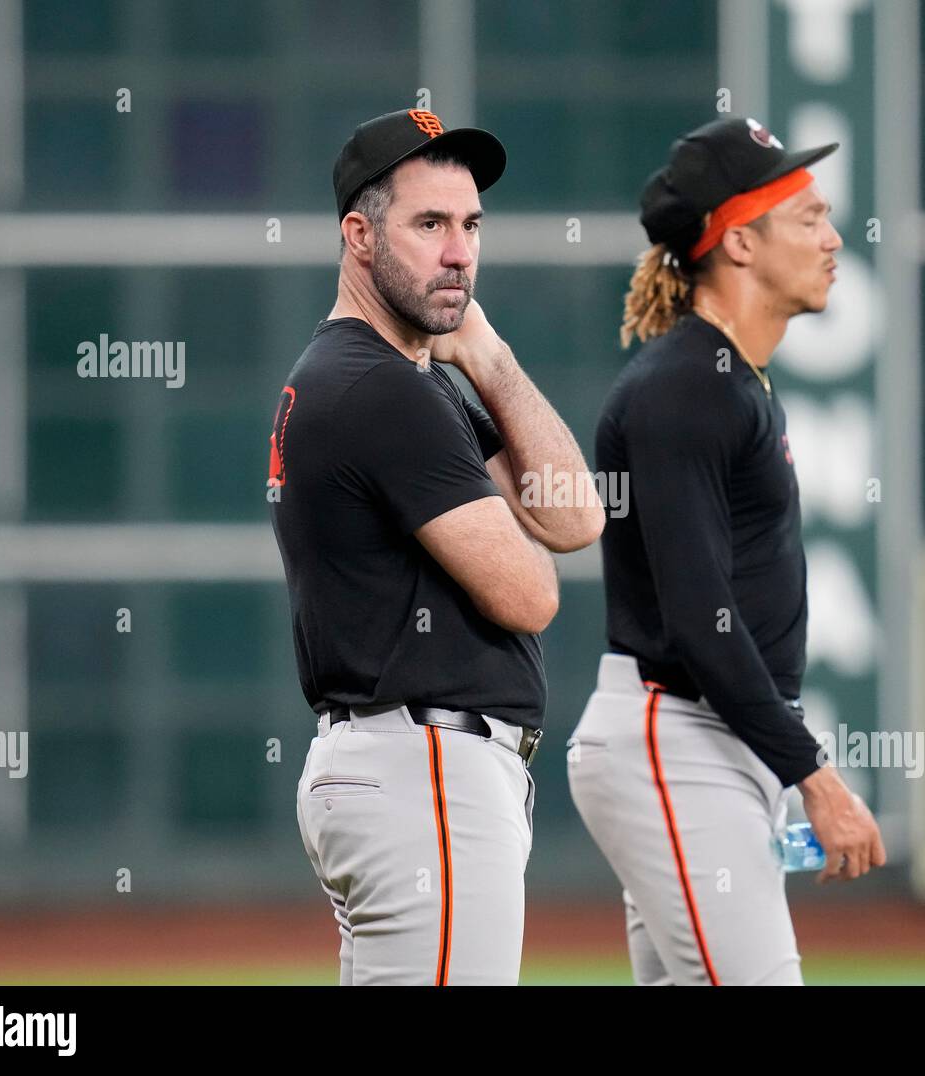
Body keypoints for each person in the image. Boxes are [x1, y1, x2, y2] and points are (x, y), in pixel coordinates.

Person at [268, 108, 603, 985]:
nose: (460, 252)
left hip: (398, 767)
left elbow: (575, 515)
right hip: (423, 773)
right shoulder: (381, 389)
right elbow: (533, 593)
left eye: (470, 226)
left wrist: (486, 356)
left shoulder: (404, 380)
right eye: (429, 224)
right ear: (359, 235)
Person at [567, 115, 886, 986]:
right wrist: (817, 778)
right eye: (809, 218)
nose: (832, 237)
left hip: (700, 742)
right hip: (674, 738)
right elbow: (703, 624)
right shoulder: (689, 388)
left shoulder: (721, 379)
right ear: (740, 242)